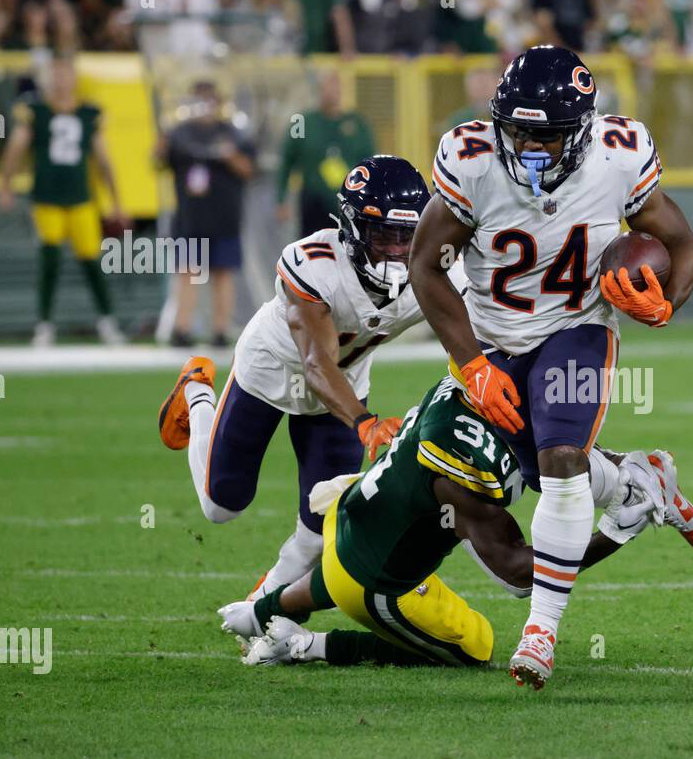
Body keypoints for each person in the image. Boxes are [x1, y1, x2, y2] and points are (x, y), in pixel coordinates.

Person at [407, 46, 693, 689]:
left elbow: (679, 242)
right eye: (515, 129)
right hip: (492, 341)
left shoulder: (618, 155)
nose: (526, 145)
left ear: (581, 130)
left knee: (561, 459)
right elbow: (424, 265)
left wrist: (664, 307)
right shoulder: (472, 158)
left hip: (577, 327)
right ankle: (641, 482)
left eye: (543, 134)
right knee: (513, 473)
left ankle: (540, 632)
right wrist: (470, 365)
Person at [157, 156, 466, 606]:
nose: (398, 249)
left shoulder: (436, 269)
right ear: (353, 228)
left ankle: (259, 609)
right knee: (221, 505)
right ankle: (196, 389)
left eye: (407, 235)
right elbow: (317, 364)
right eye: (383, 235)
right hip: (274, 370)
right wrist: (364, 422)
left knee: (321, 526)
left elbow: (476, 329)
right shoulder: (314, 263)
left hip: (346, 384)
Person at [217, 373, 669, 670]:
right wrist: (615, 533)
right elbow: (517, 574)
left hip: (351, 514)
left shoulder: (460, 393)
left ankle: (261, 613)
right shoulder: (462, 471)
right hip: (372, 584)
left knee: (346, 568)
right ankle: (306, 646)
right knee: (477, 647)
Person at [0, 56, 127, 347]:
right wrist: (5, 185)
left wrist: (117, 200)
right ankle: (44, 324)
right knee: (50, 258)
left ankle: (107, 321)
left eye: (65, 74)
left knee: (92, 261)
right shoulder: (35, 110)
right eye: (55, 75)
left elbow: (104, 159)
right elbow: (16, 147)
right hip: (46, 197)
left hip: (81, 196)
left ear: (74, 78)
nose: (60, 80)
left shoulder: (88, 112)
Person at [160, 80, 256, 347]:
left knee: (223, 273)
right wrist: (161, 142)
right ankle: (182, 329)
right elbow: (158, 162)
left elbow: (249, 170)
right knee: (188, 272)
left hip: (224, 216)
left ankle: (220, 331)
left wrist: (230, 156)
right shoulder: (179, 134)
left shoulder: (233, 134)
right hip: (191, 217)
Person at [276, 69, 376, 238]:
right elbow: (287, 161)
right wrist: (281, 199)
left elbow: (370, 164)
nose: (333, 90)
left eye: (336, 85)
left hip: (348, 201)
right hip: (312, 200)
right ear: (319, 89)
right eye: (328, 85)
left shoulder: (357, 123)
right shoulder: (300, 121)